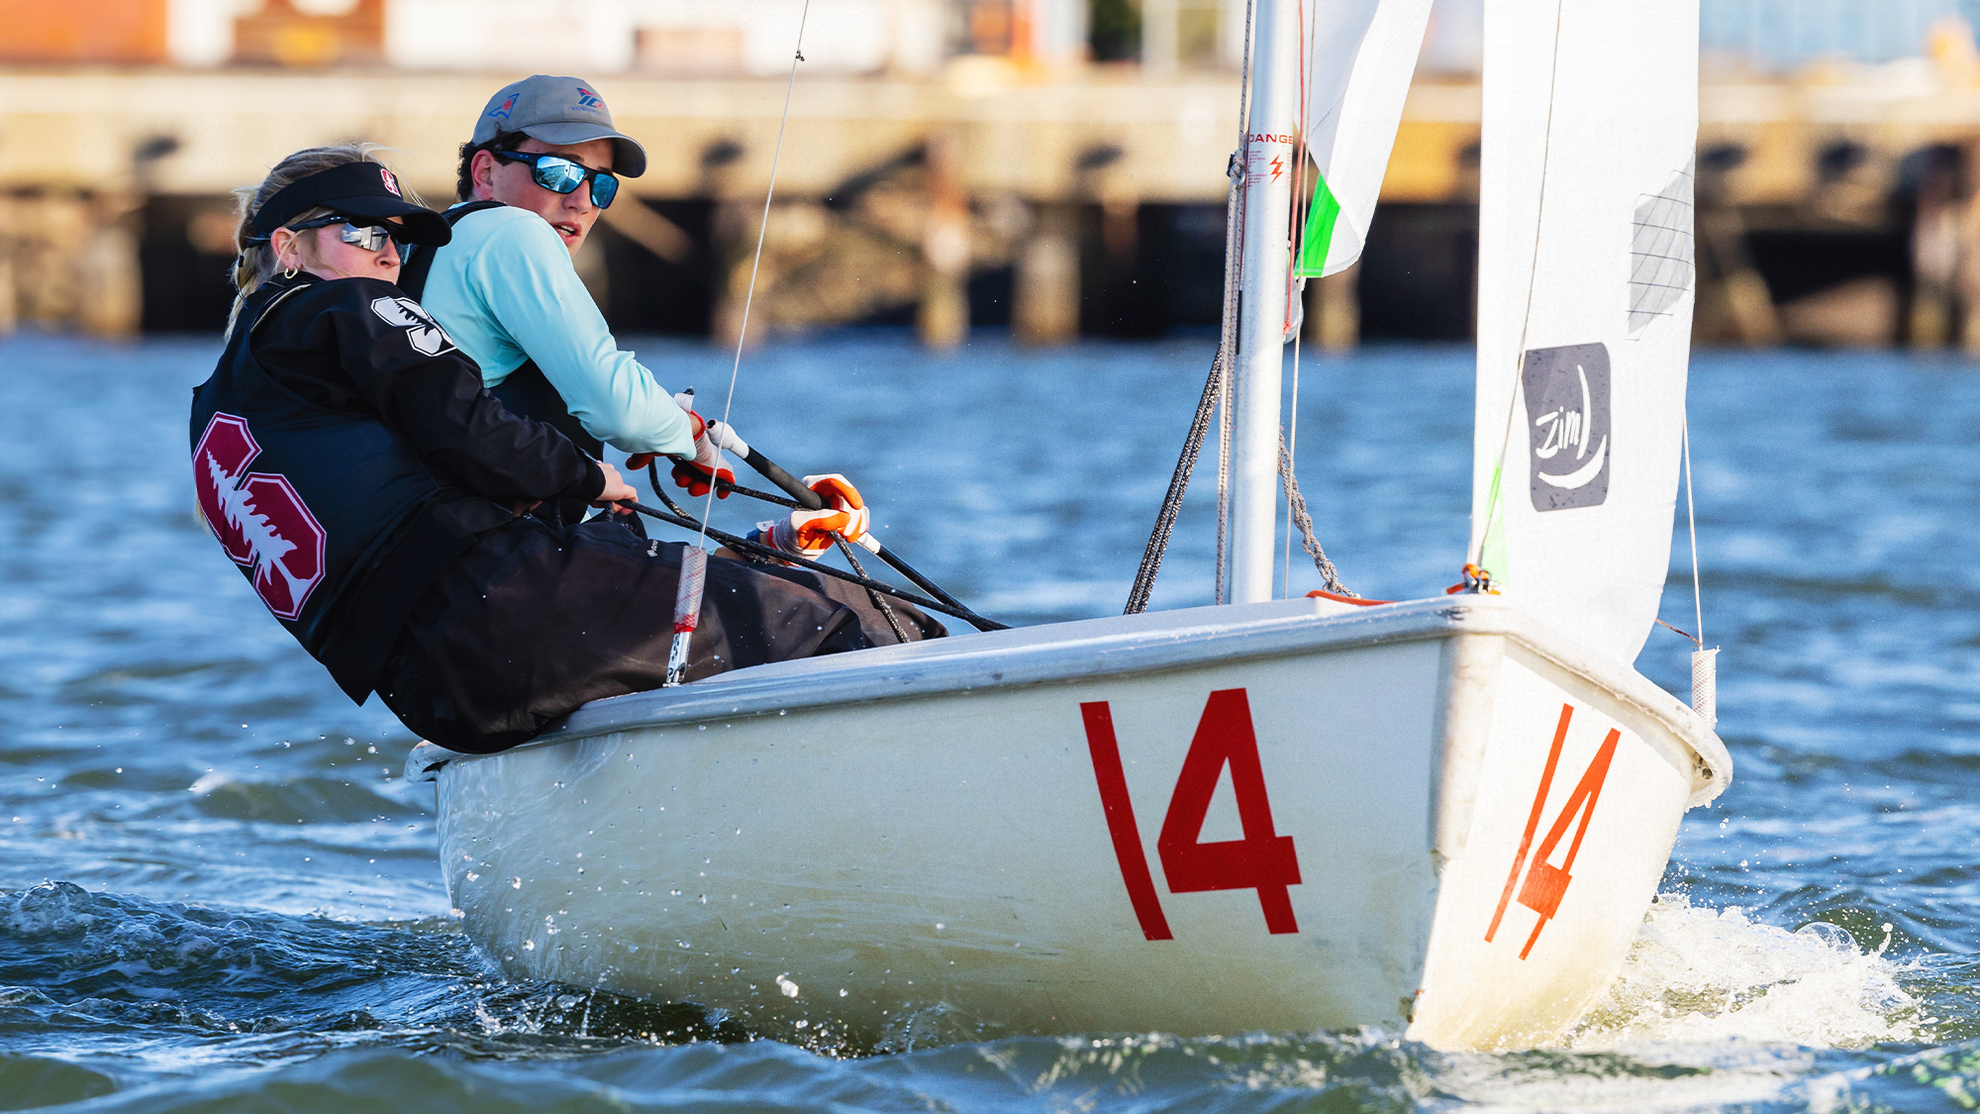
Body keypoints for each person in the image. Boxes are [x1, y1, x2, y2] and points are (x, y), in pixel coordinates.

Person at [191, 145, 907, 754]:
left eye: (395, 239)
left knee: (746, 600)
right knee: (851, 613)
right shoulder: (350, 307)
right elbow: (469, 429)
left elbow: (409, 516)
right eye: (363, 234)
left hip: (438, 693)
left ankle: (759, 561)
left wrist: (756, 549)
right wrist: (592, 478)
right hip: (512, 616)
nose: (386, 259)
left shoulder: (224, 406)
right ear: (287, 246)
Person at [399, 72, 942, 644]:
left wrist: (772, 543)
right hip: (530, 598)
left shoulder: (428, 255)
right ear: (485, 171)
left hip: (474, 604)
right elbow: (617, 408)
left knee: (777, 585)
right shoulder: (511, 233)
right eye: (558, 171)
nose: (581, 200)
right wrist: (687, 433)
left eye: (600, 186)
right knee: (887, 625)